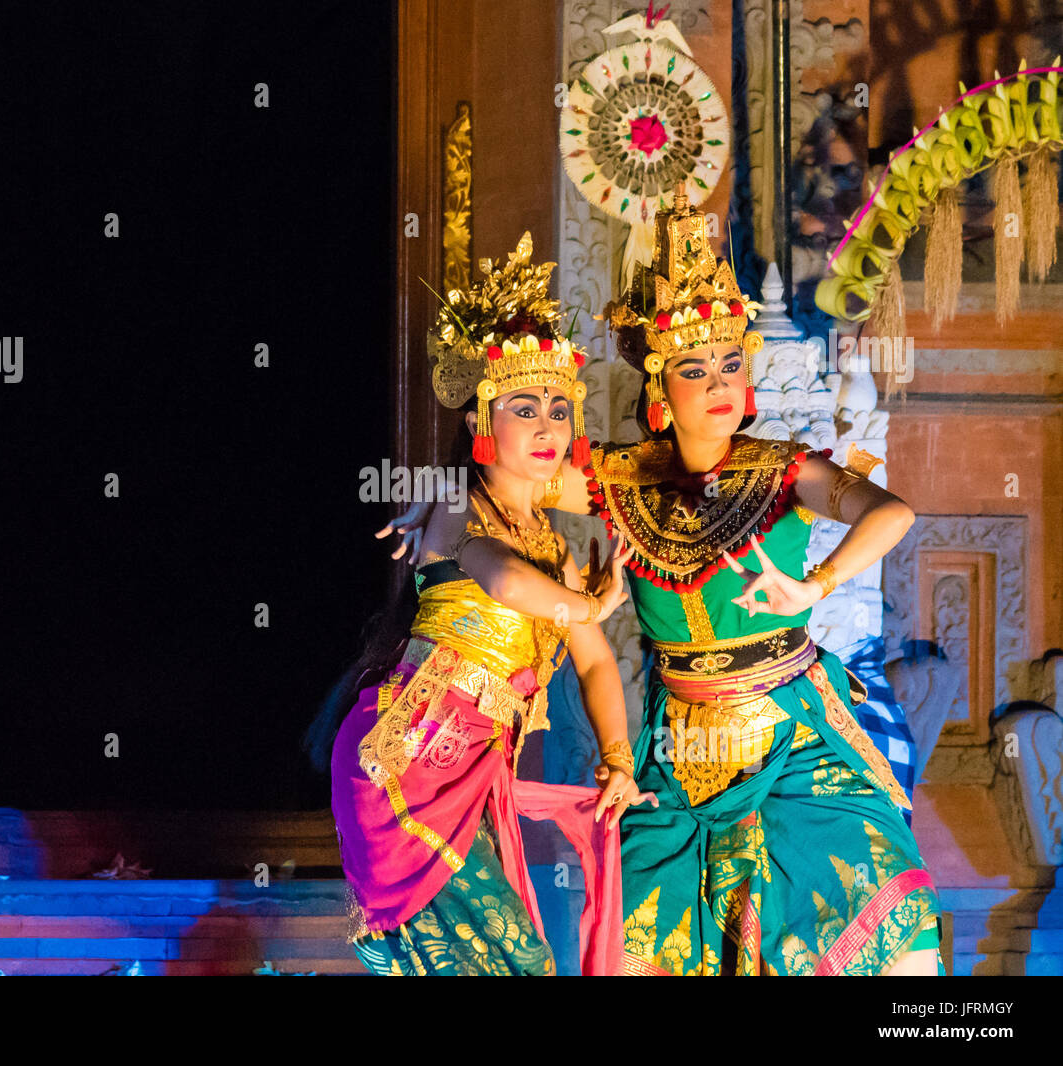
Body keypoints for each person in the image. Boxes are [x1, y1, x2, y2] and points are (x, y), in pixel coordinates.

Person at [381, 188, 943, 975]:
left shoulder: (785, 469)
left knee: (844, 913)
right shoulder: (618, 478)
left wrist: (815, 586)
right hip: (674, 749)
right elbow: (512, 479)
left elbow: (891, 512)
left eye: (729, 363)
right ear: (659, 385)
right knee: (648, 938)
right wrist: (439, 500)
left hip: (791, 733)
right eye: (693, 366)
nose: (718, 382)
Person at [330, 233, 656, 976]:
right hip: (406, 758)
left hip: (472, 767)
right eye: (524, 407)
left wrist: (617, 760)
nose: (547, 426)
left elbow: (600, 667)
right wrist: (583, 608)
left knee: (502, 964)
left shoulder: (558, 552)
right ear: (482, 422)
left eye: (557, 408)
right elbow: (500, 580)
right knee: (516, 962)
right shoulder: (451, 505)